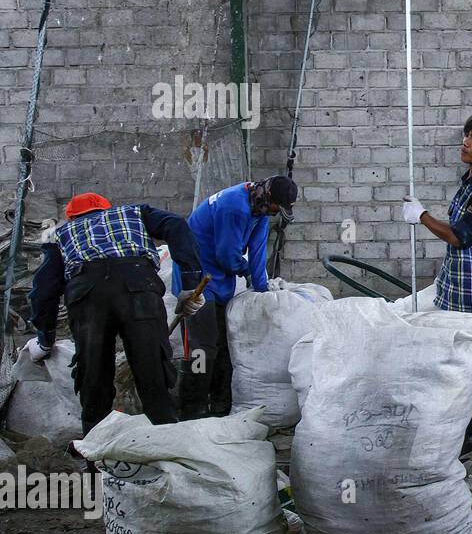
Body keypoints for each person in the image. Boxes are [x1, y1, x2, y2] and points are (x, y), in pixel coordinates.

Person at [26, 192, 205, 440]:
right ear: (107, 209)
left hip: (88, 297)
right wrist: (190, 282)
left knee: (94, 380)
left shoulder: (61, 234)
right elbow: (176, 224)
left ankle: (95, 460)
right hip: (140, 287)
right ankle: (168, 449)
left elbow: (44, 290)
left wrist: (45, 338)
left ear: (72, 216)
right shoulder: (134, 212)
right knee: (153, 374)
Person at [402, 112, 472, 452]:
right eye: (466, 135)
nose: (466, 142)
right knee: (458, 364)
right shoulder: (471, 179)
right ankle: (459, 424)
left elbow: (459, 237)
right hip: (457, 288)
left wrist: (421, 216)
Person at [178, 175, 297, 419]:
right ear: (268, 197)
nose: (275, 212)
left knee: (223, 346)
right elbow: (227, 256)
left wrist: (263, 288)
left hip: (220, 280)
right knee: (203, 347)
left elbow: (257, 253)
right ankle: (193, 409)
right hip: (197, 279)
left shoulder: (259, 210)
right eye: (276, 207)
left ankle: (221, 408)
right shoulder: (235, 207)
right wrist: (246, 272)